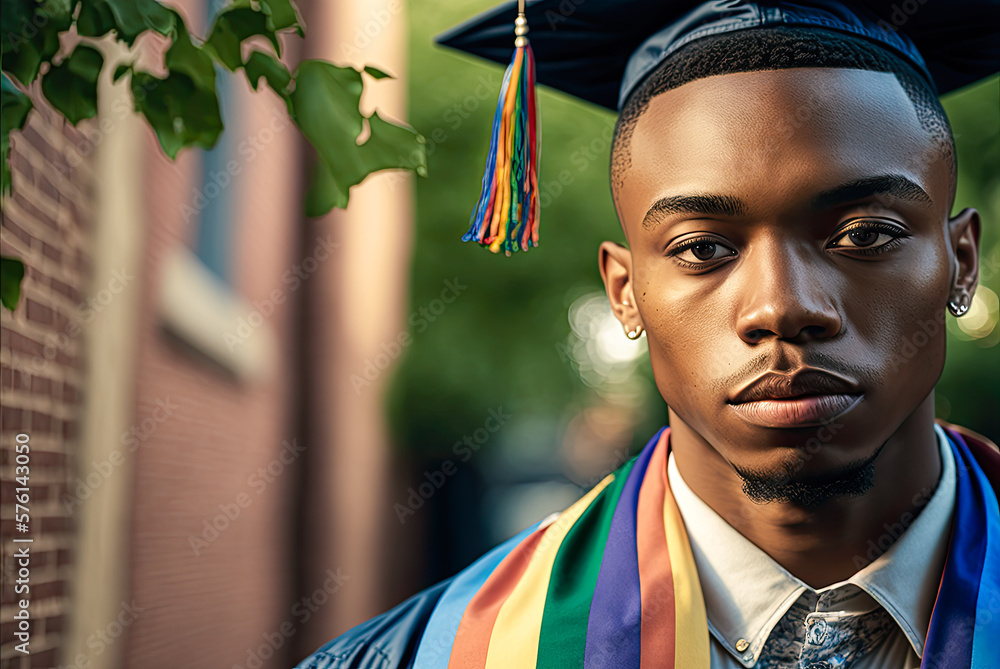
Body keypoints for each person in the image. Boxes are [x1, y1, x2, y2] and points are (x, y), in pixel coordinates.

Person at [296, 1, 1000, 667]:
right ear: (625, 293)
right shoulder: (430, 655)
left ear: (960, 263)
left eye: (865, 234)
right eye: (702, 248)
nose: (782, 307)